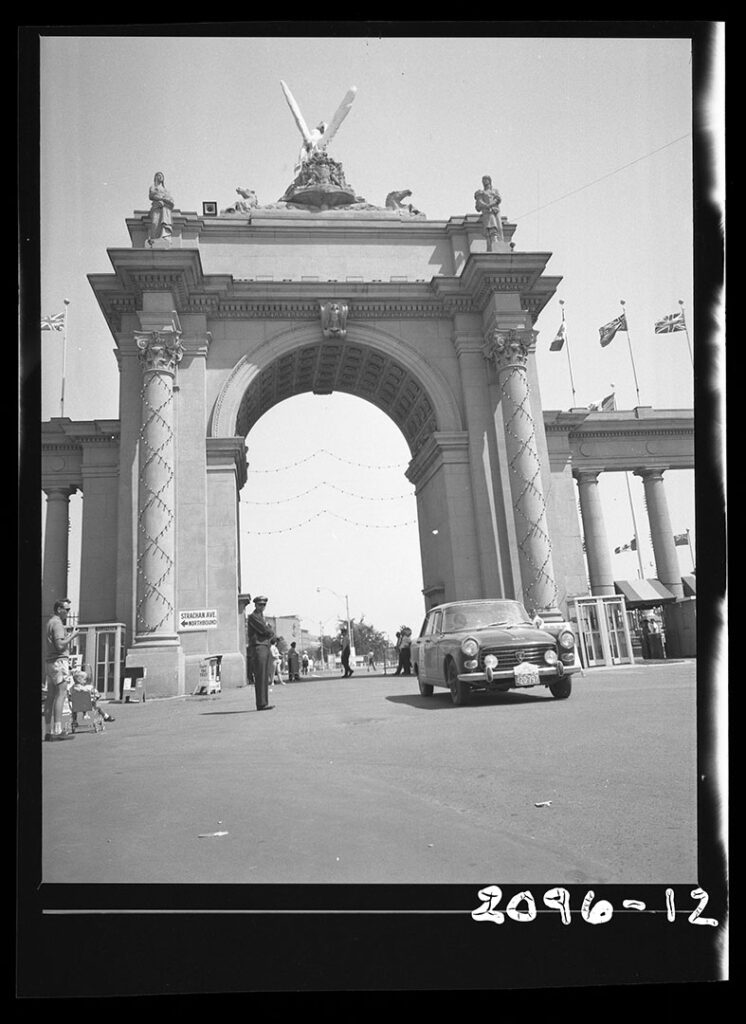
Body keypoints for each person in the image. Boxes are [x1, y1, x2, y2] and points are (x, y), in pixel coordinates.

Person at [44, 598, 81, 741]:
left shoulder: (49, 622)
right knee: (61, 694)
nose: (68, 612)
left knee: (50, 697)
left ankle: (48, 731)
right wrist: (72, 635)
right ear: (59, 609)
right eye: (66, 609)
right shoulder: (58, 623)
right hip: (59, 661)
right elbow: (60, 646)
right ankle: (58, 730)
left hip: (50, 662)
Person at [246, 596, 275, 711]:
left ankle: (264, 702)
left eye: (264, 605)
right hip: (259, 647)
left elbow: (268, 631)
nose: (262, 607)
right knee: (261, 675)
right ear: (255, 605)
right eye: (260, 605)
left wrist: (269, 631)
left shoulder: (261, 617)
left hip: (264, 646)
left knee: (264, 675)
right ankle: (261, 703)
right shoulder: (253, 617)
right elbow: (266, 630)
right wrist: (269, 630)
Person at [474, 175, 504, 251]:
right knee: (491, 227)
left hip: (495, 211)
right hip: (488, 212)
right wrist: (486, 206)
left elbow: (498, 199)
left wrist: (491, 204)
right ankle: (492, 244)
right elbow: (479, 204)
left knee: (499, 227)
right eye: (483, 180)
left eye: (486, 180)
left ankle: (498, 243)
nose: (484, 181)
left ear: (489, 181)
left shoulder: (494, 191)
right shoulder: (481, 192)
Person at [148, 171, 174, 243]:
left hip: (165, 208)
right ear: (155, 177)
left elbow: (170, 199)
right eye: (158, 175)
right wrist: (160, 198)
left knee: (164, 222)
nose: (160, 177)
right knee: (154, 222)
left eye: (161, 176)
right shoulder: (153, 187)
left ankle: (163, 236)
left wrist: (166, 199)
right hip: (156, 207)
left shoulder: (165, 189)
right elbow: (151, 196)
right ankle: (154, 238)